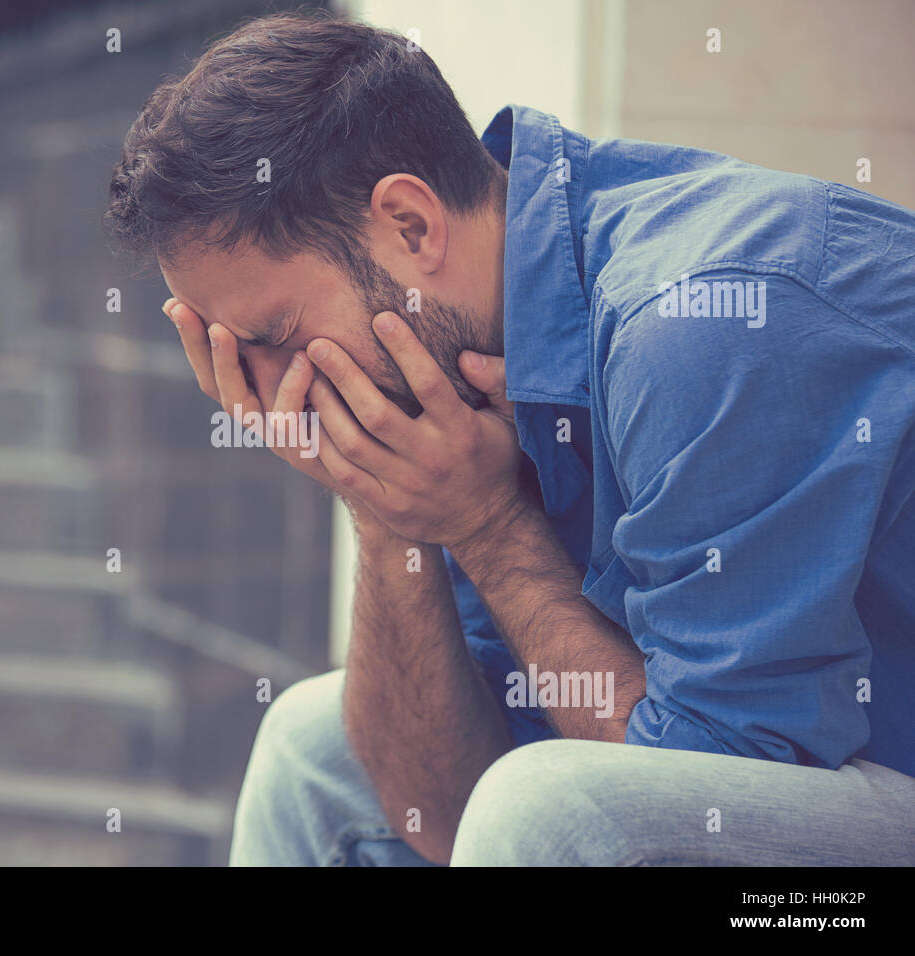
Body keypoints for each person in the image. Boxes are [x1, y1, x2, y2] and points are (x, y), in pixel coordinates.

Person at [105, 12, 915, 866]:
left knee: (549, 810)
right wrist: (386, 509)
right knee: (311, 750)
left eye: (271, 338)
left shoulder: (700, 325)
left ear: (410, 227)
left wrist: (490, 527)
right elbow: (440, 821)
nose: (269, 403)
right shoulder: (472, 351)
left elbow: (693, 800)